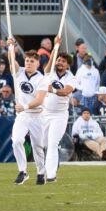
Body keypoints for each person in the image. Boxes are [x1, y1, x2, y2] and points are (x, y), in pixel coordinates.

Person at [7, 37, 47, 185]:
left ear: (38, 63)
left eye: (32, 61)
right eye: (27, 60)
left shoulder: (41, 79)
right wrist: (11, 47)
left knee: (37, 146)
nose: (29, 63)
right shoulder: (19, 73)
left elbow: (39, 100)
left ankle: (41, 172)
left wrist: (25, 106)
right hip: (22, 115)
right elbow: (13, 63)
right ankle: (22, 171)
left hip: (36, 115)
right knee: (16, 140)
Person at [41, 38, 77, 184]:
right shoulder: (50, 72)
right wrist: (55, 46)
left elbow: (65, 92)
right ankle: (52, 166)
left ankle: (51, 175)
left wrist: (52, 89)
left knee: (53, 143)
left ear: (67, 65)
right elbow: (47, 69)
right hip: (44, 113)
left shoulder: (72, 78)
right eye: (58, 60)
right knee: (42, 144)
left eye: (63, 61)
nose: (59, 62)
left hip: (59, 115)